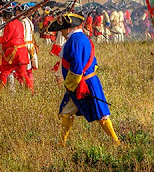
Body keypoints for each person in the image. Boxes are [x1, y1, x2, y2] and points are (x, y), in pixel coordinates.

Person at [47, 12, 120, 147]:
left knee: (96, 114)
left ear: (68, 28)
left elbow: (76, 67)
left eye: (62, 30)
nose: (61, 33)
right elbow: (94, 63)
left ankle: (116, 141)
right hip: (89, 81)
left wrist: (70, 85)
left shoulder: (74, 41)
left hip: (81, 83)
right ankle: (115, 141)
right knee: (98, 113)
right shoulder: (82, 38)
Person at [0, 8, 34, 93]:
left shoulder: (9, 24)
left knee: (4, 72)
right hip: (22, 51)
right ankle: (31, 91)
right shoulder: (19, 23)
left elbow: (6, 39)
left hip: (13, 52)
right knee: (24, 73)